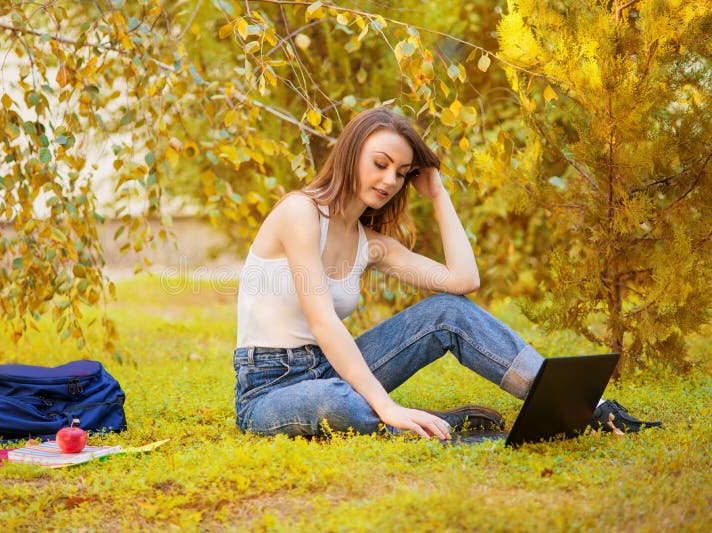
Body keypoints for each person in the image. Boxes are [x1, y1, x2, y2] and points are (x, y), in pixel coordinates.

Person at [233, 107, 660, 440]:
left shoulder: (370, 241)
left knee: (446, 312)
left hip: (328, 366)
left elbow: (462, 281)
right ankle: (433, 424)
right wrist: (387, 406)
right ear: (351, 153)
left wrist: (437, 194)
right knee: (337, 402)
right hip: (269, 389)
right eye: (380, 164)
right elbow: (324, 322)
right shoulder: (300, 213)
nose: (389, 181)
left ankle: (580, 403)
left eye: (401, 173)